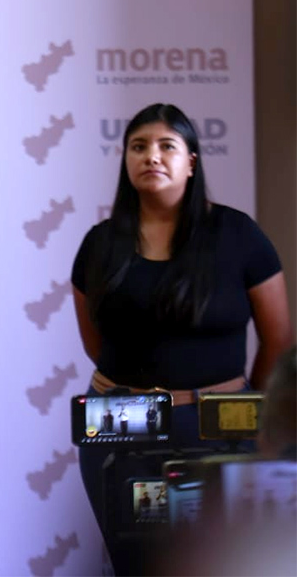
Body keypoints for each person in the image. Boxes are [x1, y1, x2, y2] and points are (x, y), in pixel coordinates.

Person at [71, 104, 293, 575]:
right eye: (138, 146)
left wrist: (236, 401)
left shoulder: (239, 236)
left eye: (166, 146)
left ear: (191, 161)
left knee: (217, 564)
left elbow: (277, 340)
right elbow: (95, 344)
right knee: (139, 564)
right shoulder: (99, 243)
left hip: (219, 429)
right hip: (121, 426)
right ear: (126, 160)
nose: (151, 156)